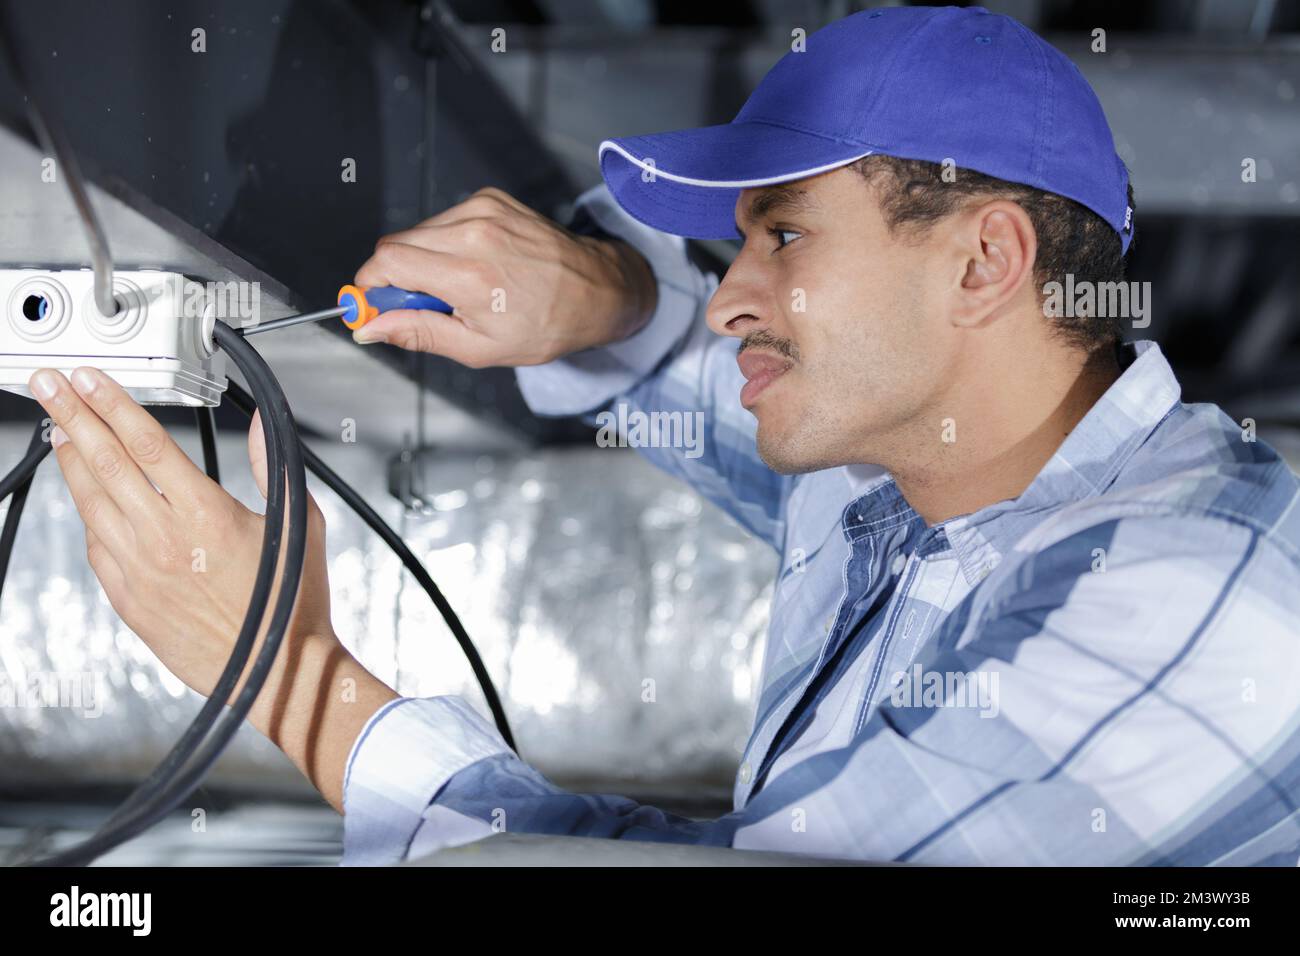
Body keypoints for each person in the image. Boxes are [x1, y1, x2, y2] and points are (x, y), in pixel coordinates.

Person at [28, 6, 1300, 866]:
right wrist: (613, 301)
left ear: (983, 261)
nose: (735, 287)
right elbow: (747, 412)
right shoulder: (930, 470)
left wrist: (295, 682)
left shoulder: (1196, 593)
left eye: (782, 234)